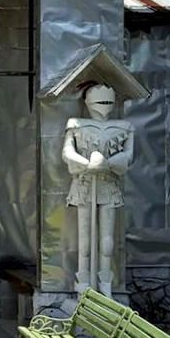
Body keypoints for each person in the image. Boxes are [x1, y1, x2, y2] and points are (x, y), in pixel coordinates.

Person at [62, 83, 134, 296]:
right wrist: (85, 164)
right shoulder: (76, 124)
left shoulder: (124, 126)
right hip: (84, 183)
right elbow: (67, 152)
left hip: (108, 182)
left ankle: (105, 284)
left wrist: (109, 163)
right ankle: (83, 282)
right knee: (84, 239)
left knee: (107, 239)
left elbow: (128, 157)